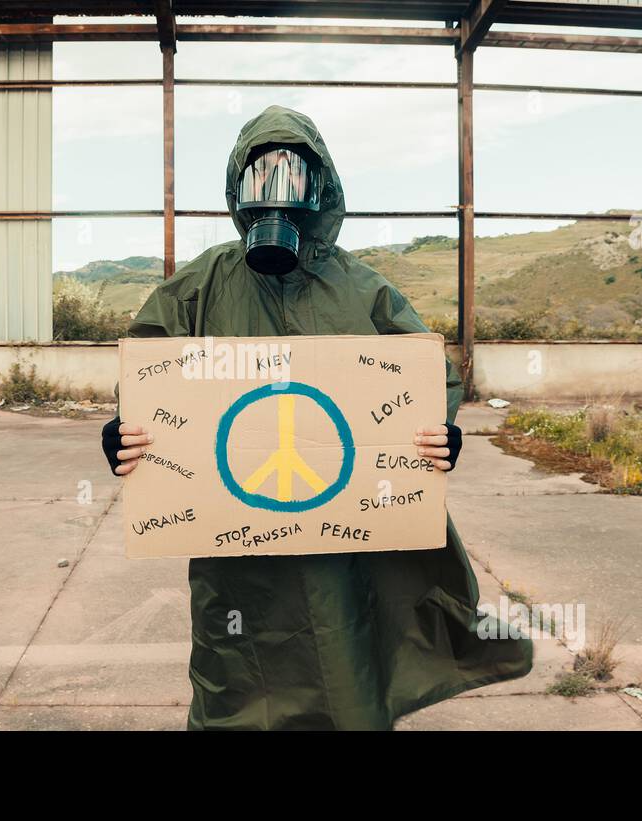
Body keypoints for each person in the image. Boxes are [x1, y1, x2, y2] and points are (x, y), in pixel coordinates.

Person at [101, 105, 532, 730]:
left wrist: (438, 435)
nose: (276, 191)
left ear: (321, 186)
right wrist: (127, 433)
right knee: (236, 676)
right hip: (236, 548)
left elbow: (426, 370)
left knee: (344, 667)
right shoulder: (198, 286)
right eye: (261, 174)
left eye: (294, 174)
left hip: (342, 546)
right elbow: (148, 372)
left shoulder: (361, 288)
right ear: (237, 187)